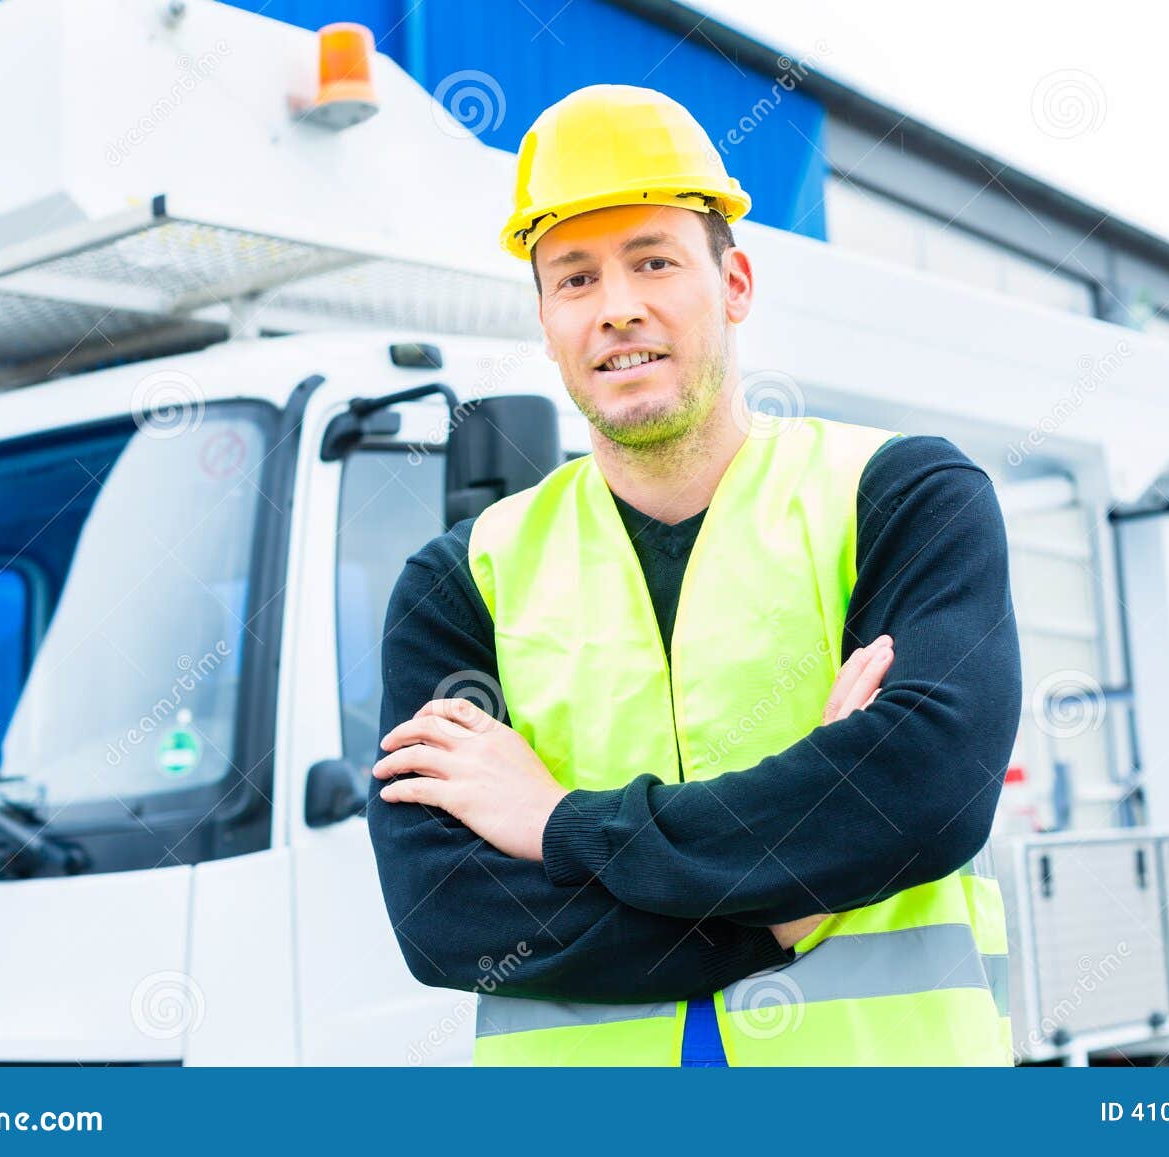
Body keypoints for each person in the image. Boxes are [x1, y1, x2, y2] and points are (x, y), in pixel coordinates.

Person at [367, 84, 1021, 1066]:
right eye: (575, 278)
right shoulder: (464, 578)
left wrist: (555, 822)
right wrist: (781, 906)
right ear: (544, 319)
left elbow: (920, 793)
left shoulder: (899, 494)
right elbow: (447, 917)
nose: (617, 306)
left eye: (654, 261)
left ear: (736, 284)